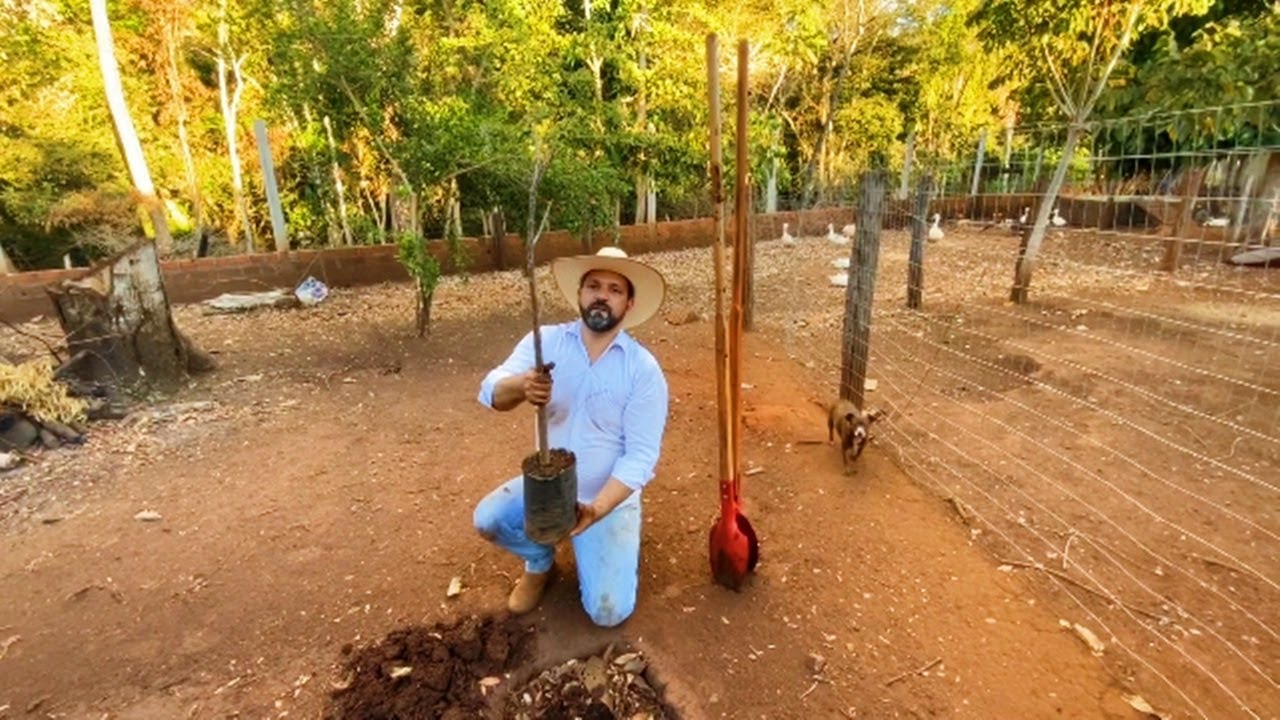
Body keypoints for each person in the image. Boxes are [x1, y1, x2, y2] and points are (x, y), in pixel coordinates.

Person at [473, 246, 670, 627]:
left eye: (614, 290)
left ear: (629, 304)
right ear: (580, 294)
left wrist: (597, 509)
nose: (602, 296)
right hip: (547, 488)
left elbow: (641, 457)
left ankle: (601, 540)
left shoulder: (642, 370)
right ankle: (539, 562)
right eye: (594, 286)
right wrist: (522, 386)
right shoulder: (546, 342)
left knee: (608, 612)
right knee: (488, 519)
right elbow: (491, 390)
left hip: (604, 499)